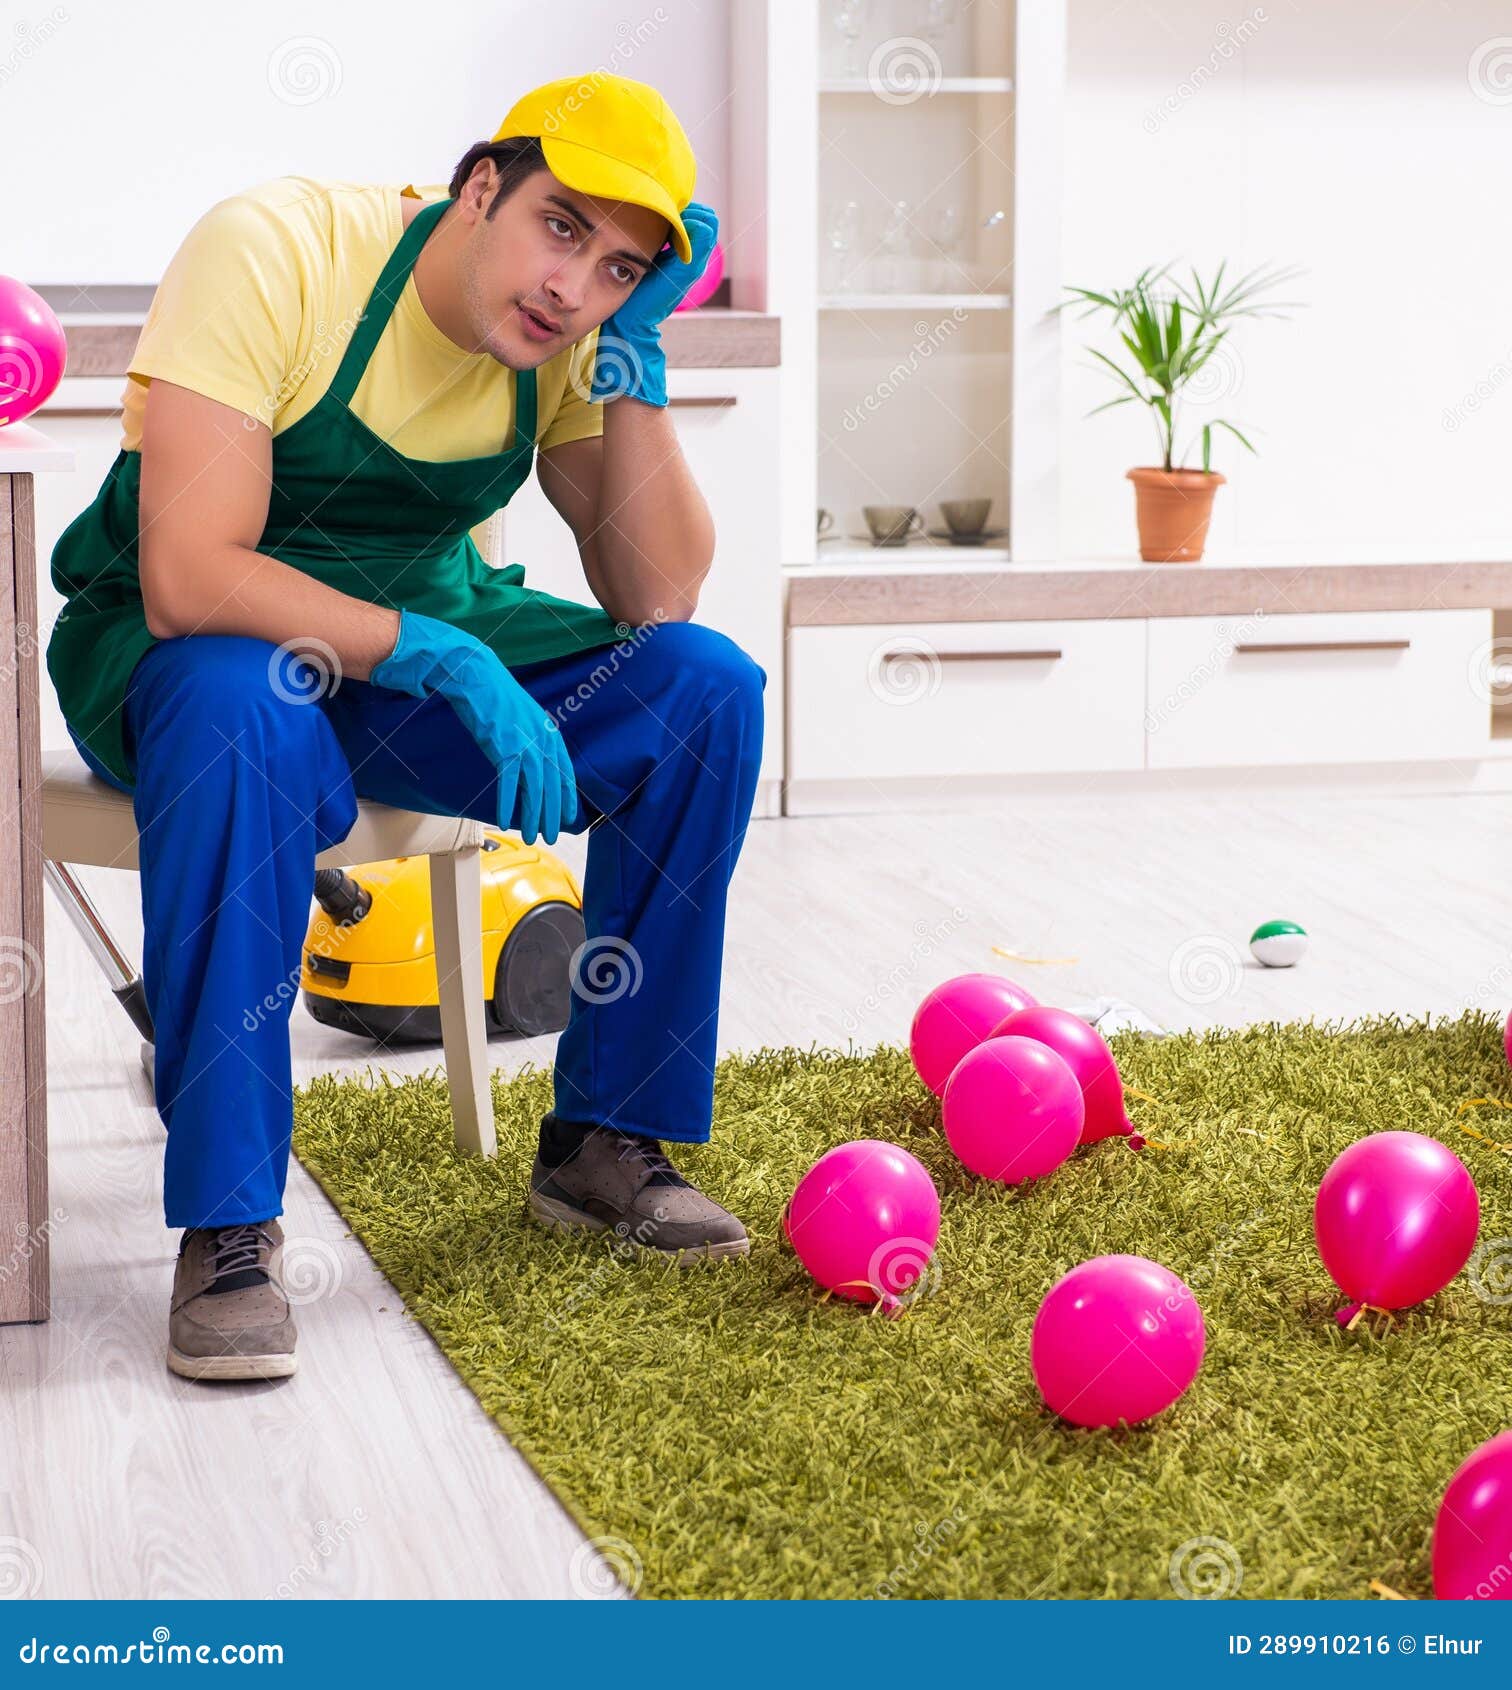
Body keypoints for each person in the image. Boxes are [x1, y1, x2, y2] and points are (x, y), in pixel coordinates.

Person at [45, 72, 766, 1383]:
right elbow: (189, 570)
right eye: (561, 228)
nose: (570, 287)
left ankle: (607, 1137)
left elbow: (656, 595)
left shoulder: (566, 343)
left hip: (418, 660)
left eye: (616, 268)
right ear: (479, 186)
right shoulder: (278, 252)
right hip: (202, 653)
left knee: (704, 687)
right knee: (235, 703)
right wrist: (430, 648)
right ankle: (230, 1222)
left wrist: (638, 359)